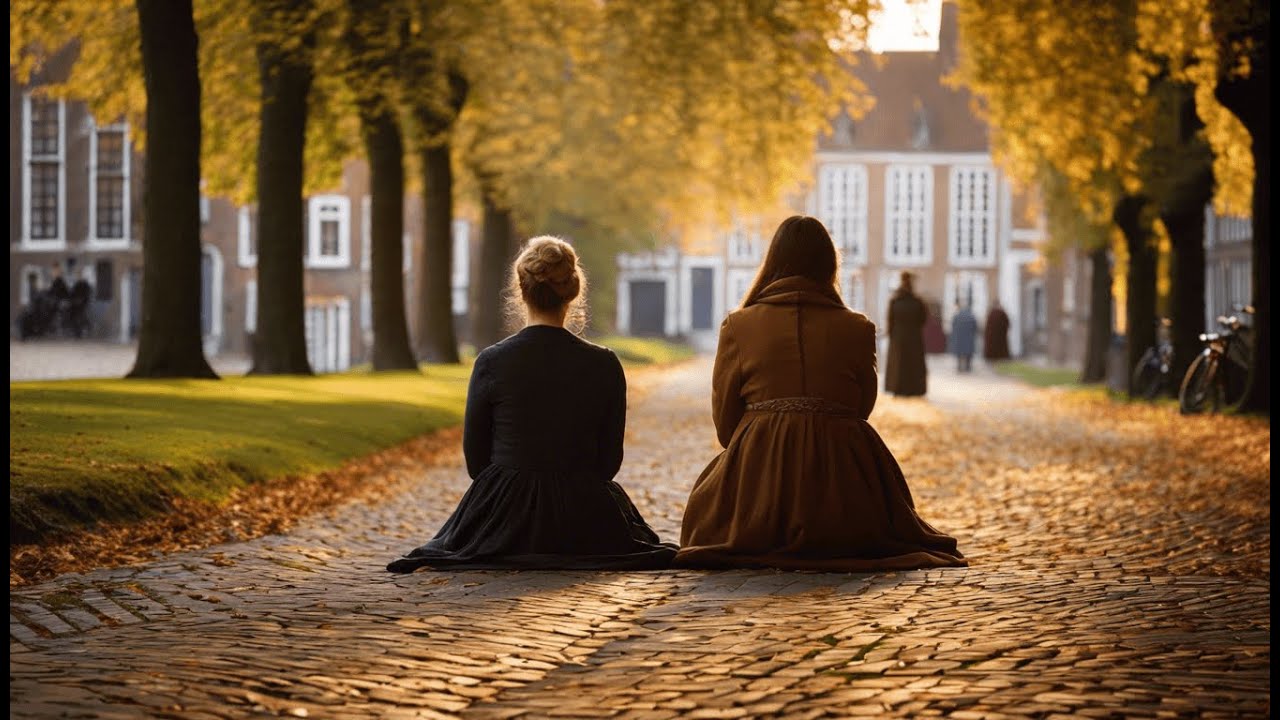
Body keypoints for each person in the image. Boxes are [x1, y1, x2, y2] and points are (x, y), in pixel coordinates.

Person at [675, 216, 966, 571]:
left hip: (760, 471)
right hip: (842, 475)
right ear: (829, 265)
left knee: (705, 513)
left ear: (773, 262)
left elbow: (725, 422)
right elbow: (862, 407)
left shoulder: (738, 325)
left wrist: (756, 447)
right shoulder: (857, 327)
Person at [387, 237, 676, 573]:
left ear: (521, 291)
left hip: (504, 512)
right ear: (573, 292)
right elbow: (608, 462)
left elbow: (476, 463)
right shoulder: (605, 364)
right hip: (582, 512)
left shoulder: (492, 361)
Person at [885, 271, 928, 397]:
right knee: (912, 363)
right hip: (913, 336)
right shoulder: (917, 301)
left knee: (899, 363)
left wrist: (892, 332)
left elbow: (890, 320)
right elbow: (922, 320)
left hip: (898, 337)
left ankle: (897, 388)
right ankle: (913, 389)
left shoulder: (895, 300)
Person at [949, 303, 978, 373]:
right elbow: (975, 327)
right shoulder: (971, 316)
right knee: (968, 354)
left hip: (959, 338)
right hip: (969, 338)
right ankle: (968, 367)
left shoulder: (957, 316)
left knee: (959, 353)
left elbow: (953, 327)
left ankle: (959, 366)